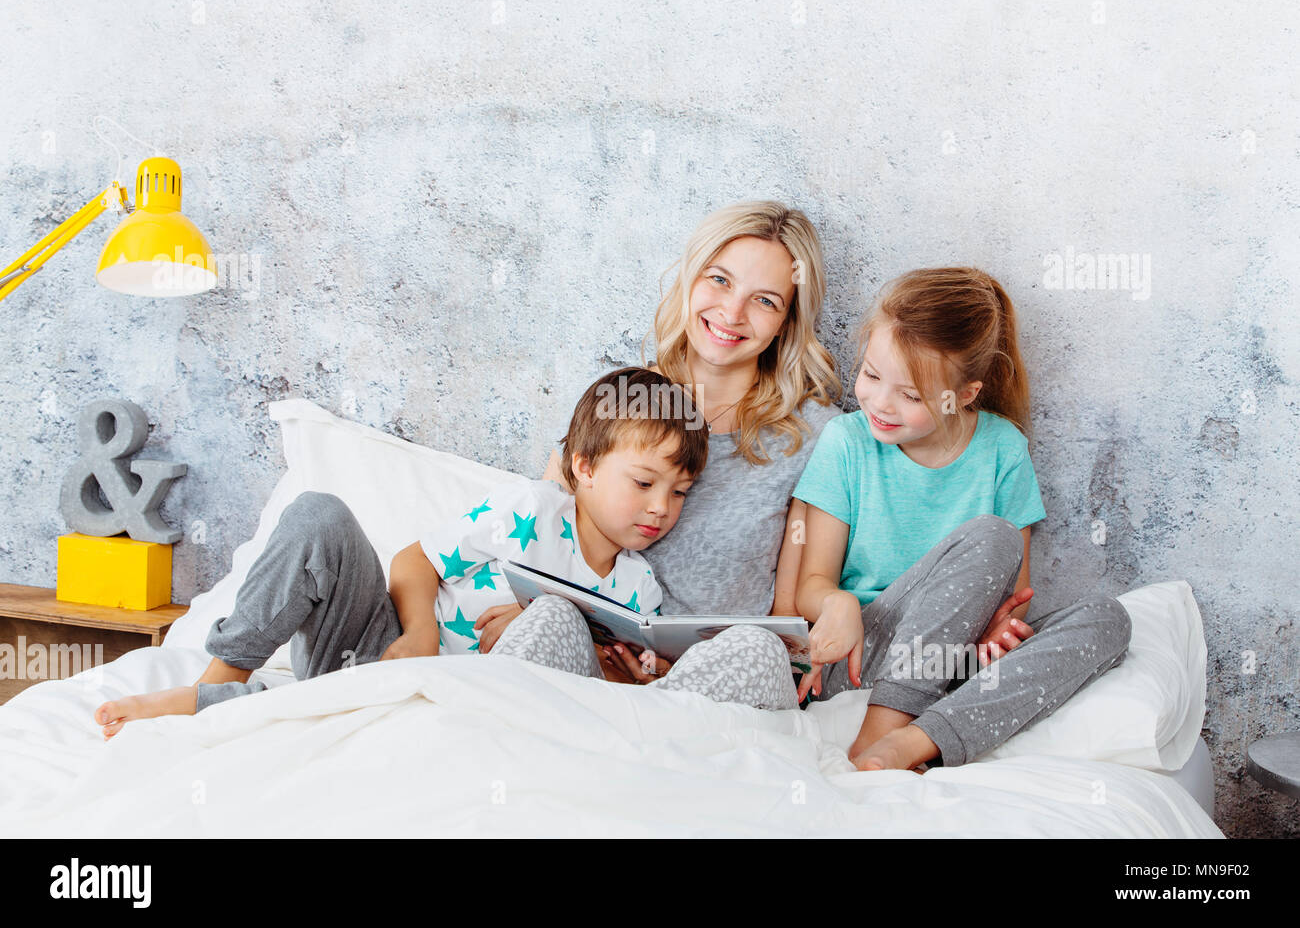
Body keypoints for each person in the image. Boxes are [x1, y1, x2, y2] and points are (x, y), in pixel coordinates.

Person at [93, 366, 707, 738]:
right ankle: (218, 682)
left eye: (679, 493)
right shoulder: (533, 509)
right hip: (382, 646)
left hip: (468, 709)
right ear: (584, 466)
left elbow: (602, 687)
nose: (661, 508)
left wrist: (629, 668)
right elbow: (416, 559)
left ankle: (245, 707)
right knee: (318, 514)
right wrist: (416, 633)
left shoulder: (640, 589)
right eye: (645, 483)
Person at [473, 200, 861, 700]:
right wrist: (534, 616)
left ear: (787, 321)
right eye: (719, 280)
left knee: (759, 651)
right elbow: (546, 535)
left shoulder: (813, 436)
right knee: (546, 615)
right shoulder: (621, 400)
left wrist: (668, 669)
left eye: (765, 300)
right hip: (592, 665)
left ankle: (653, 745)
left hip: (710, 684)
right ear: (690, 281)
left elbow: (785, 616)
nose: (732, 312)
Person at [791, 266, 1133, 771]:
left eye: (910, 395)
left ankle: (917, 741)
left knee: (1110, 619)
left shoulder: (1003, 449)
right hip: (866, 654)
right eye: (870, 375)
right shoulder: (847, 442)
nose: (879, 404)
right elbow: (810, 585)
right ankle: (881, 733)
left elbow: (1011, 593)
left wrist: (1003, 630)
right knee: (992, 535)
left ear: (966, 394)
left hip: (957, 660)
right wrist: (836, 602)